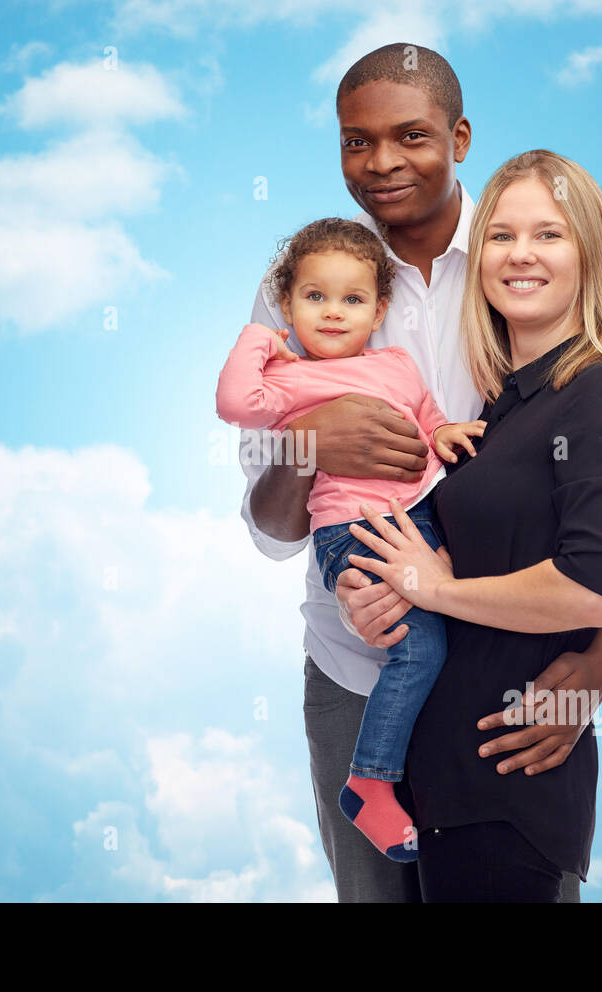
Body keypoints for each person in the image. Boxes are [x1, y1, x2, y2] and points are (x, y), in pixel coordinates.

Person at [238, 43, 602, 902]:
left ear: (459, 137)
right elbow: (270, 523)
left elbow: (598, 491)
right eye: (355, 141)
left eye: (410, 135)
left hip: (506, 677)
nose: (381, 163)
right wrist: (312, 441)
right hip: (354, 667)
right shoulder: (304, 290)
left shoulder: (509, 270)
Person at [337, 149, 602, 902]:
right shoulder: (499, 412)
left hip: (508, 792)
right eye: (500, 235)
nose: (520, 255)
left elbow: (592, 584)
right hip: (444, 787)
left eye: (549, 235)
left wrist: (434, 588)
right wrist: (381, 588)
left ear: (590, 255)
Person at [216, 218, 486, 861]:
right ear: (287, 305)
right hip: (352, 534)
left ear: (378, 309)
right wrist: (260, 337)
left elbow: (427, 419)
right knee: (417, 651)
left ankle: (383, 780)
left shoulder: (395, 364)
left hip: (416, 520)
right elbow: (233, 401)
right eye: (314, 298)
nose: (334, 313)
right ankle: (369, 783)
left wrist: (444, 434)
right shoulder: (287, 381)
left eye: (352, 299)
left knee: (445, 634)